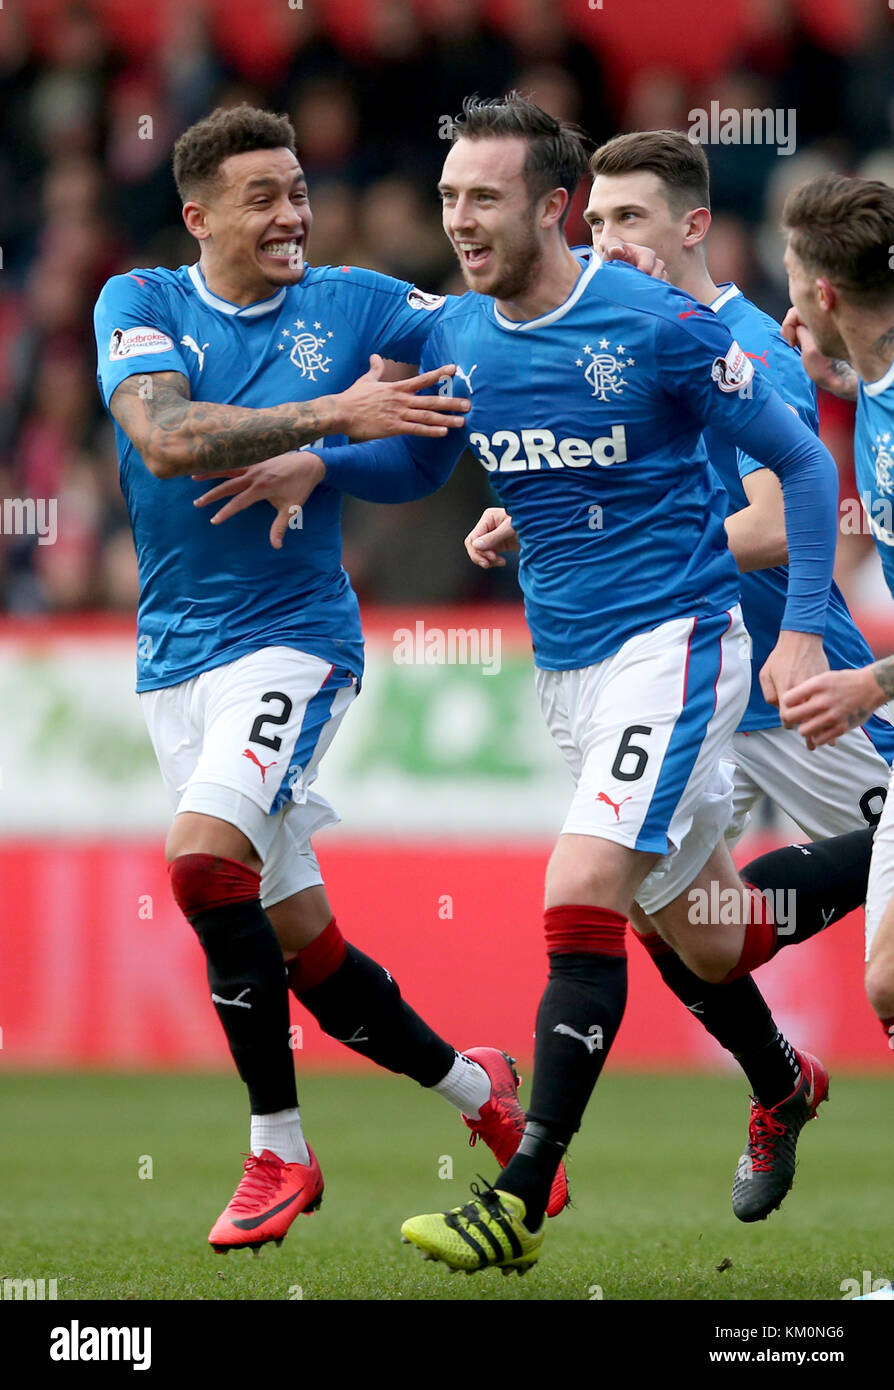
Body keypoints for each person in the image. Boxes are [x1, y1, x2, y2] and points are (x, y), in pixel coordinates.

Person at [193, 95, 843, 1275]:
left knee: (579, 888)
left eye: (482, 197)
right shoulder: (455, 333)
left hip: (679, 645)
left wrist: (797, 634)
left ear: (555, 207)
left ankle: (521, 1188)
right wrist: (318, 459)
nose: (459, 221)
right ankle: (789, 1068)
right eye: (448, 198)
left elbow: (803, 465)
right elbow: (422, 454)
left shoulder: (655, 325)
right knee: (715, 939)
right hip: (572, 669)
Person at [92, 102, 568, 1256]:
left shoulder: (357, 303)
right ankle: (480, 1090)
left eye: (299, 188)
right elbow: (163, 438)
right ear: (199, 215)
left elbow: (440, 416)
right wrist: (329, 412)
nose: (292, 213)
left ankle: (279, 1152)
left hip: (295, 639)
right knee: (302, 944)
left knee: (205, 864)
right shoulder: (139, 303)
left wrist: (332, 452)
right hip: (174, 662)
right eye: (262, 196)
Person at [463, 130, 894, 1219]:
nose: (604, 241)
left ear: (694, 226)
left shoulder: (748, 338)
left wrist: (642, 547)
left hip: (808, 694)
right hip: (692, 685)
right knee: (664, 912)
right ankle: (777, 1082)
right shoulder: (615, 333)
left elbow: (770, 519)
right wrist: (546, 512)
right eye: (593, 222)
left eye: (629, 222)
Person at [774, 173, 894, 1054]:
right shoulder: (876, 388)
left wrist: (871, 686)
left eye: (787, 272)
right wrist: (842, 379)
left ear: (821, 290)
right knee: (888, 979)